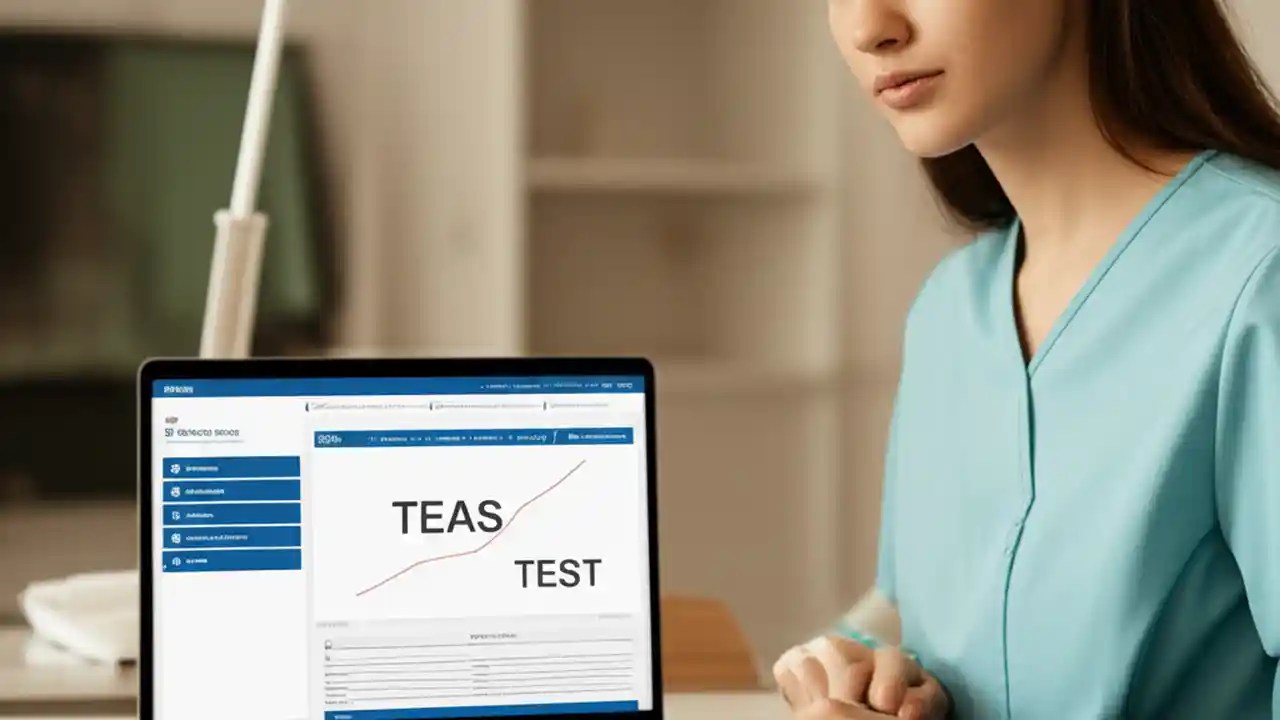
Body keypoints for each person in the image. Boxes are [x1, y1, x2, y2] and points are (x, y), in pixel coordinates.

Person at [774, 0, 1280, 718]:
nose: (869, 28)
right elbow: (909, 610)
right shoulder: (950, 309)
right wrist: (856, 673)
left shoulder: (1260, 271)